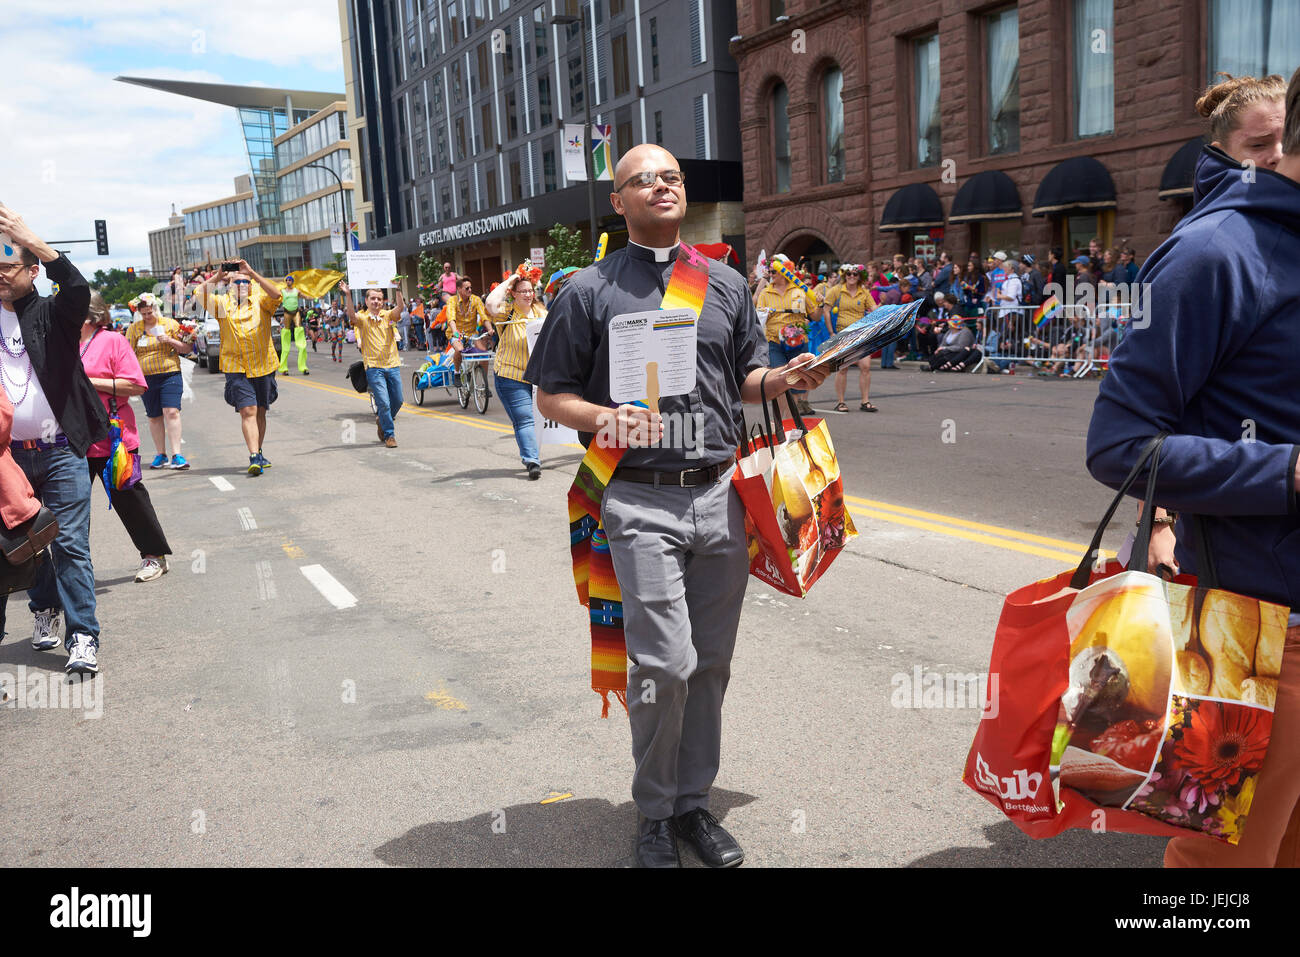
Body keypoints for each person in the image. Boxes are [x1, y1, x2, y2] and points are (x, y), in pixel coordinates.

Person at [527, 144, 827, 869]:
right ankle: (654, 812)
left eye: (671, 176)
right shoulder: (588, 290)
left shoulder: (724, 282)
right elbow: (549, 394)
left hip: (722, 494)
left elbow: (744, 379)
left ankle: (694, 804)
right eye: (642, 180)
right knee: (663, 662)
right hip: (639, 498)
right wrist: (603, 419)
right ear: (619, 202)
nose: (661, 185)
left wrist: (779, 376)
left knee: (712, 664)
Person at [1087, 65, 1300, 869]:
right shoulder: (1214, 250)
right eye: (1260, 140)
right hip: (1256, 627)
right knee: (1222, 868)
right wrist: (1286, 474)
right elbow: (1121, 443)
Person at [0, 204, 110, 674]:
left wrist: (33, 237)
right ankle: (43, 609)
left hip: (60, 451)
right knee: (22, 544)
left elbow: (79, 288)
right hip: (8, 459)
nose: (0, 275)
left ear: (30, 270)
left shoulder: (52, 314)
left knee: (68, 543)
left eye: (7, 267)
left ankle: (82, 635)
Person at [80, 294, 172, 583]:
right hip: (73, 438)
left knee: (130, 500)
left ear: (88, 315)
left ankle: (154, 555)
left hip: (113, 436)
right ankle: (75, 569)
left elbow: (136, 385)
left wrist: (89, 381)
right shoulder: (62, 342)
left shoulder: (112, 341)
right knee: (70, 509)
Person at [191, 258, 281, 476]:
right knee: (248, 410)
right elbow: (199, 294)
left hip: (263, 365)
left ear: (251, 285)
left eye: (245, 282)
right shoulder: (222, 306)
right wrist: (219, 275)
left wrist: (251, 271)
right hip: (236, 366)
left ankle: (258, 450)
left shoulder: (261, 301)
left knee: (260, 411)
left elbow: (277, 295)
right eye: (236, 282)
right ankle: (253, 456)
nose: (241, 286)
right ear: (230, 287)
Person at [484, 266, 546, 479]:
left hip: (537, 377)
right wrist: (511, 280)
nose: (528, 295)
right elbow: (490, 303)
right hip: (510, 375)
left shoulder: (541, 312)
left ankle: (531, 453)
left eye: (530, 290)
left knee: (537, 420)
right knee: (524, 419)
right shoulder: (506, 311)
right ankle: (532, 461)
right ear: (513, 293)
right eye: (522, 291)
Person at [125, 291, 191, 470]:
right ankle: (160, 454)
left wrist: (169, 340)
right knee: (154, 416)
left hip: (170, 373)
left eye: (150, 312)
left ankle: (176, 454)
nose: (147, 316)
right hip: (146, 378)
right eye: (144, 313)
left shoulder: (170, 324)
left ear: (156, 309)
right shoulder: (135, 329)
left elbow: (186, 348)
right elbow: (128, 354)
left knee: (172, 412)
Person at [754, 253, 821, 415]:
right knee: (780, 381)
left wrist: (821, 304)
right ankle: (782, 422)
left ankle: (791, 423)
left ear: (784, 271)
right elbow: (758, 317)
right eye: (769, 272)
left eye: (773, 272)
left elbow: (816, 317)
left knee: (796, 383)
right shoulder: (765, 293)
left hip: (797, 342)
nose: (770, 275)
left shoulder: (800, 291)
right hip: (774, 342)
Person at [340, 280, 404, 449]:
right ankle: (389, 435)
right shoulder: (363, 319)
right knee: (383, 402)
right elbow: (352, 316)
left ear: (382, 301)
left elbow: (400, 309)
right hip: (374, 367)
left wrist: (398, 289)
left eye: (379, 299)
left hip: (392, 364)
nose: (376, 301)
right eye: (373, 299)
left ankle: (381, 420)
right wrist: (347, 294)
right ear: (367, 301)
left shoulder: (388, 316)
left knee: (397, 400)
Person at [827, 264, 880, 412]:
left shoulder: (864, 292)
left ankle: (865, 401)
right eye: (848, 274)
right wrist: (831, 332)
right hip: (843, 334)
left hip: (861, 334)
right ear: (844, 275)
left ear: (859, 277)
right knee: (843, 368)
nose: (851, 276)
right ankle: (841, 402)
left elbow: (874, 309)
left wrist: (884, 311)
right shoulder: (837, 290)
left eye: (855, 274)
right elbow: (826, 310)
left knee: (866, 367)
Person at [446, 277, 492, 377]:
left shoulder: (476, 300)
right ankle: (457, 372)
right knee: (459, 350)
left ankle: (485, 382)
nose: (470, 290)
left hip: (472, 334)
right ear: (459, 289)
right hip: (456, 333)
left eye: (471, 287)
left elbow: (484, 316)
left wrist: (490, 329)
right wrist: (455, 331)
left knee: (484, 353)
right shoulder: (452, 300)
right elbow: (451, 318)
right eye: (467, 288)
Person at [277, 275, 309, 376]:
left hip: (296, 312)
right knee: (285, 338)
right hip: (286, 312)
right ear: (285, 281)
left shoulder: (297, 291)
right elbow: (274, 297)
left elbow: (306, 296)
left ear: (293, 281)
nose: (288, 281)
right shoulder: (282, 291)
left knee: (300, 332)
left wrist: (317, 296)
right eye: (287, 280)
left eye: (290, 280)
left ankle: (303, 367)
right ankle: (283, 368)